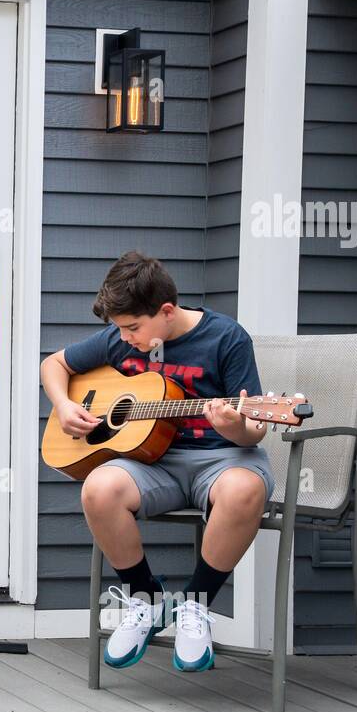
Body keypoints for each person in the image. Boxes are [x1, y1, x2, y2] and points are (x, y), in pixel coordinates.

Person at [41, 251, 274, 673]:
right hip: (152, 464)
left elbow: (255, 429)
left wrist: (232, 426)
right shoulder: (120, 338)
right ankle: (146, 600)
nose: (125, 337)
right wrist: (62, 404)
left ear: (167, 311)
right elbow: (53, 364)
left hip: (222, 459)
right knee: (98, 488)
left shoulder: (227, 338)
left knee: (244, 490)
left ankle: (196, 606)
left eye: (133, 327)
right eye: (120, 329)